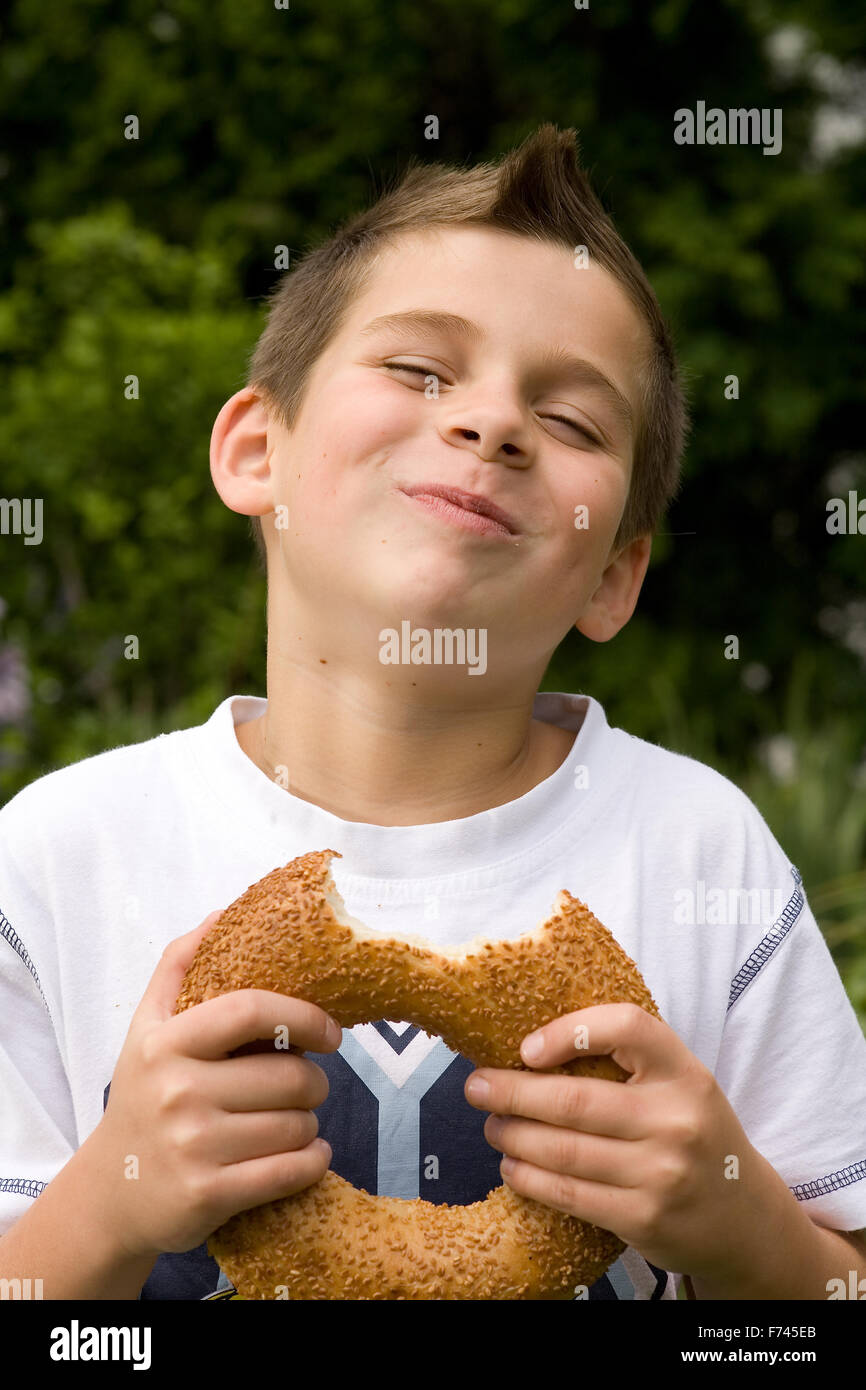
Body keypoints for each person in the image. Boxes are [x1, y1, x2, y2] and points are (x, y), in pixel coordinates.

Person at [1, 124, 864, 1302]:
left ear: (613, 573)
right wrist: (107, 1200)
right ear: (257, 448)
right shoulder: (58, 857)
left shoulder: (695, 847)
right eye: (418, 370)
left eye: (569, 421)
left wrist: (743, 1225)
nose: (493, 421)